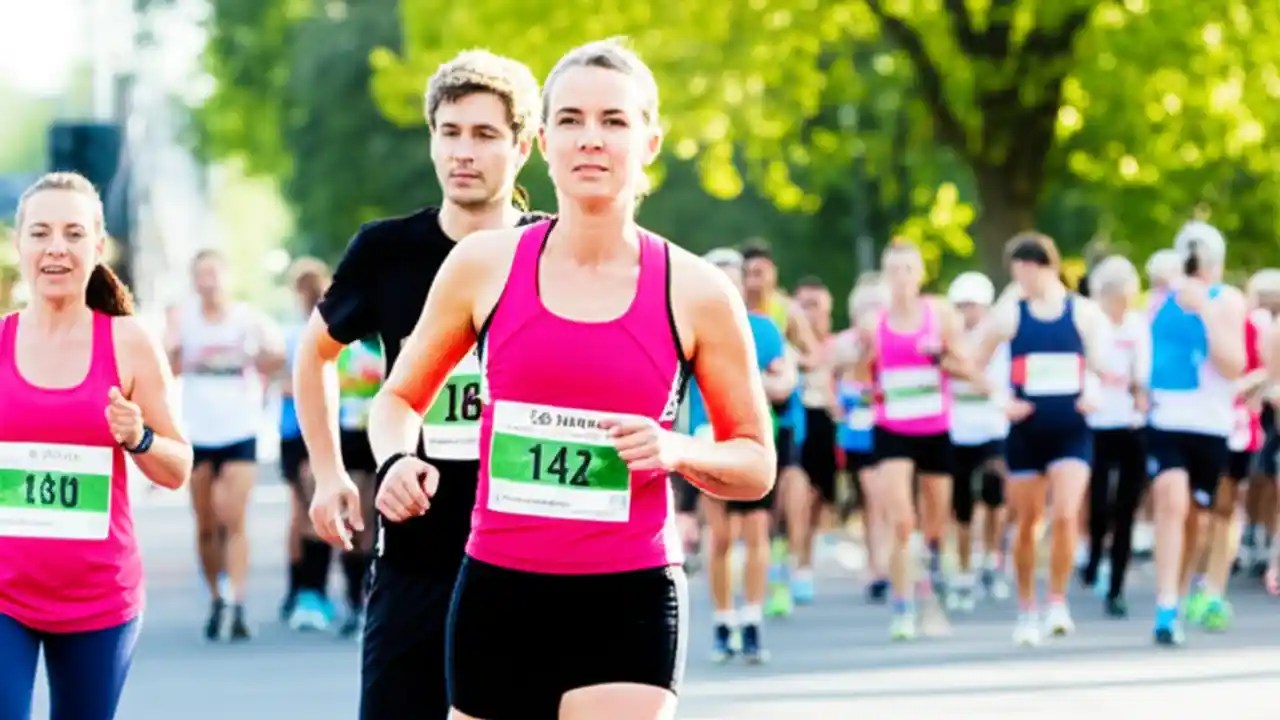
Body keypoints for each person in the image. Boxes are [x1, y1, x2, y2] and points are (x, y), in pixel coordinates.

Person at [367, 38, 775, 720]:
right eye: (572, 119)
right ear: (544, 140)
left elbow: (755, 461)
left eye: (614, 121)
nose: (592, 139)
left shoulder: (697, 290)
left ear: (649, 141)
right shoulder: (483, 266)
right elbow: (399, 399)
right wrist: (396, 459)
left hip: (630, 598)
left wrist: (678, 450)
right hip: (500, 590)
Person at [293, 49, 543, 719]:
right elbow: (311, 355)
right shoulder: (387, 251)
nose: (464, 151)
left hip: (532, 558)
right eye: (449, 131)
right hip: (418, 555)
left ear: (522, 147)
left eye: (485, 135)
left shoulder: (552, 253)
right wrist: (330, 474)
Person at [0, 172, 192, 718]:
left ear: (97, 246)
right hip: (4, 592)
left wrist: (139, 437)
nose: (56, 247)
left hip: (98, 599)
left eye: (73, 233)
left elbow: (177, 468)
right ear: (20, 244)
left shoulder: (128, 342)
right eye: (40, 233)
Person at [976, 232, 1109, 646]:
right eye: (1015, 271)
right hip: (1027, 432)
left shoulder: (1083, 313)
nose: (1021, 279)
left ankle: (1057, 601)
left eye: (1026, 270)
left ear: (1045, 267)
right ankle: (1026, 607)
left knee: (1067, 513)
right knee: (1027, 522)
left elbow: (1105, 365)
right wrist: (1002, 401)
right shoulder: (1011, 314)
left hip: (1071, 429)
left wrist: (1094, 392)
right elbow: (973, 361)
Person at [854, 240, 974, 641]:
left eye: (908, 269)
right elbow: (859, 375)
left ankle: (935, 556)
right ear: (886, 277)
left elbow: (963, 366)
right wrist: (862, 378)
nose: (901, 278)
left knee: (935, 519)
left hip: (935, 428)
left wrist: (940, 355)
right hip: (892, 429)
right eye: (894, 271)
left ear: (919, 274)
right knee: (902, 521)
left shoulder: (939, 316)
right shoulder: (875, 324)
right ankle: (902, 606)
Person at [165, 248, 284, 641]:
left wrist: (260, 355)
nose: (209, 281)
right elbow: (168, 366)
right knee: (205, 523)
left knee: (232, 514)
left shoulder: (247, 319)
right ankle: (216, 597)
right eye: (202, 274)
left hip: (240, 427)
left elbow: (275, 358)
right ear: (193, 280)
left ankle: (236, 599)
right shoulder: (184, 320)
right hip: (197, 430)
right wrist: (176, 350)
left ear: (227, 277)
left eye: (215, 273)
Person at [1145, 221, 1246, 646]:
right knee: (1170, 499)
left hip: (1210, 423)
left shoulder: (1227, 301)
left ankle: (1182, 589)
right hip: (1167, 419)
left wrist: (1204, 310)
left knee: (1197, 520)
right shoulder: (1158, 301)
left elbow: (1233, 365)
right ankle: (1165, 603)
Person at [694, 247, 796, 665]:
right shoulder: (692, 325)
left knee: (756, 533)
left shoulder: (764, 329)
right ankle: (723, 621)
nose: (727, 283)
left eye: (732, 277)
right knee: (720, 537)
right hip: (708, 439)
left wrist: (773, 381)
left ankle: (752, 620)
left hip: (753, 439)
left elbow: (785, 380)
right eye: (717, 276)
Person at [1080, 256, 1150, 618]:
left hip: (1130, 424)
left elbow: (1143, 372)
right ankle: (1093, 555)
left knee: (1125, 507)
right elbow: (1086, 365)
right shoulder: (1091, 324)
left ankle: (1117, 586)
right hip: (1096, 423)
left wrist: (1139, 391)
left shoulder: (1137, 326)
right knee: (1098, 502)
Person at [944, 271, 1010, 611]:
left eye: (973, 305)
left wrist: (964, 370)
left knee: (995, 494)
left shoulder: (999, 340)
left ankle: (992, 560)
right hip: (959, 427)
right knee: (962, 505)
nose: (968, 312)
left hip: (992, 425)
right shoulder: (949, 338)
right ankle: (965, 568)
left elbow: (991, 381)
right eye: (962, 305)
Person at [278, 258, 330, 625]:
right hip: (303, 430)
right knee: (308, 511)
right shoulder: (317, 332)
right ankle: (309, 591)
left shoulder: (302, 332)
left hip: (297, 431)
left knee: (300, 511)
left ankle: (301, 590)